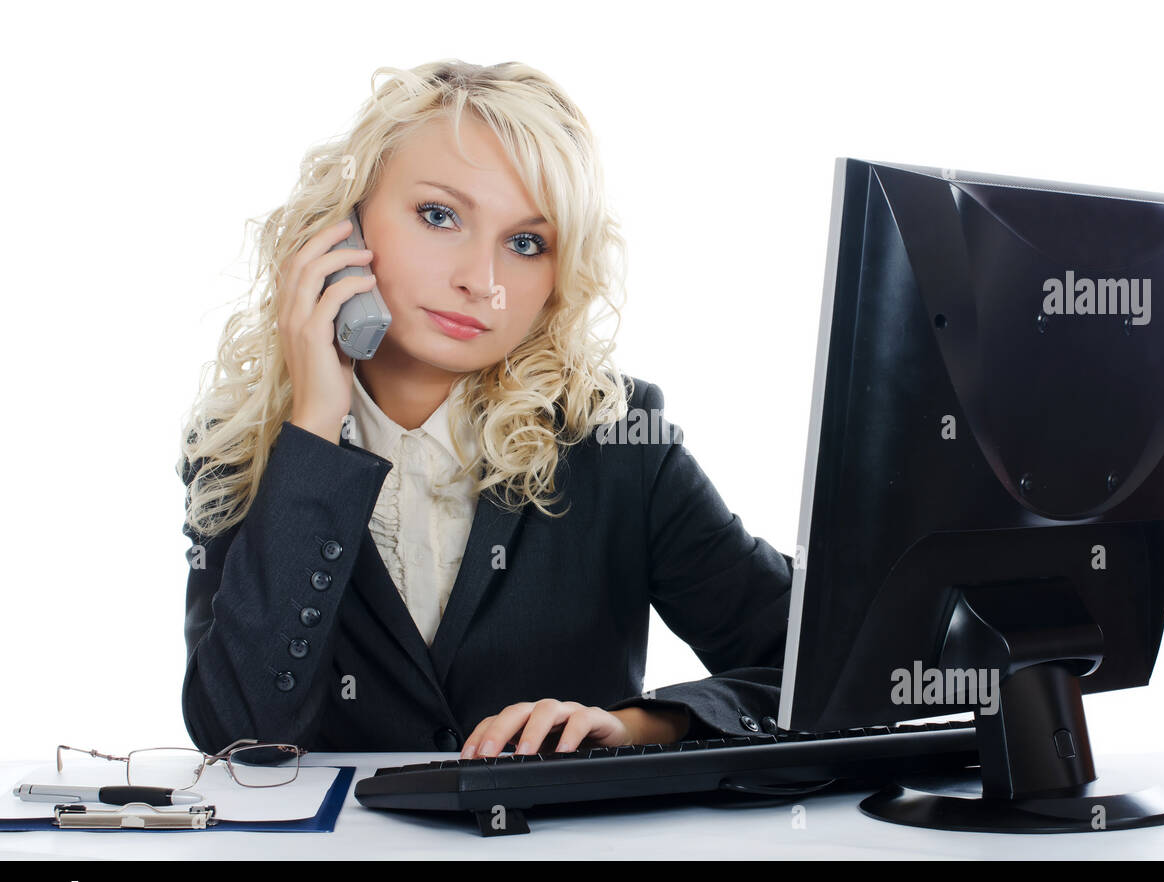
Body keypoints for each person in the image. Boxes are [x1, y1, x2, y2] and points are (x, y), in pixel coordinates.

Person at [177, 59, 791, 759]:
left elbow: (820, 669)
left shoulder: (618, 437)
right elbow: (239, 734)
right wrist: (315, 425)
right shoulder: (241, 445)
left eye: (526, 243)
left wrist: (644, 727)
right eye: (439, 216)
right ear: (343, 228)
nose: (482, 281)